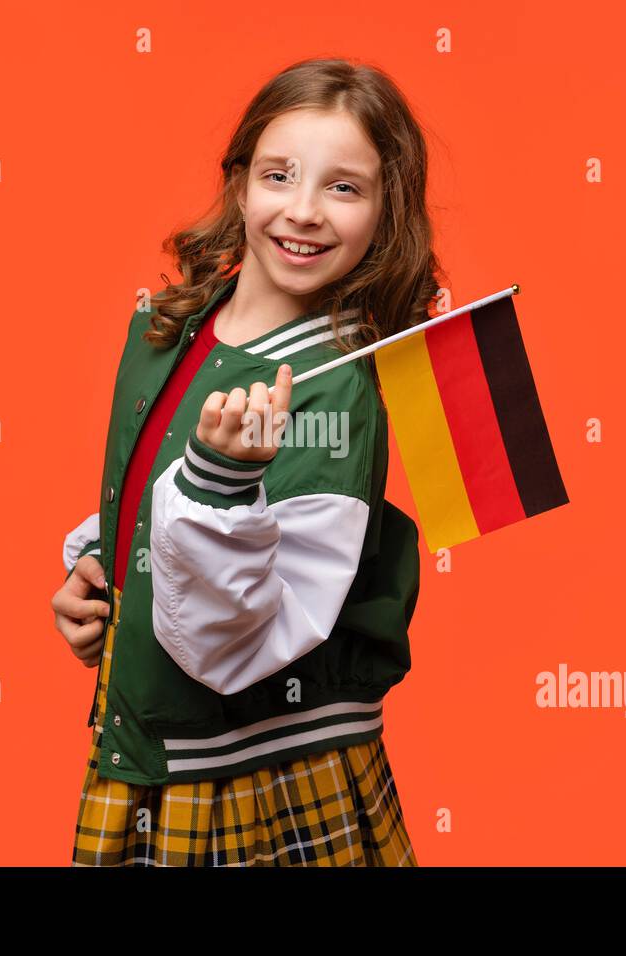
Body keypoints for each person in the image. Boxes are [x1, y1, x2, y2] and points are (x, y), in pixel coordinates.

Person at [51, 57, 446, 866]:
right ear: (238, 183)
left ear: (385, 214)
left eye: (345, 188)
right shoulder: (168, 328)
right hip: (140, 743)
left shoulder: (335, 387)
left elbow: (238, 641)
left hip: (257, 779)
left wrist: (220, 482)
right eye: (279, 174)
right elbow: (150, 493)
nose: (303, 211)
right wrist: (100, 577)